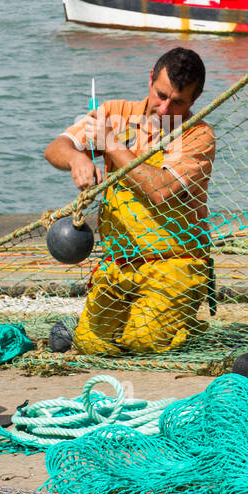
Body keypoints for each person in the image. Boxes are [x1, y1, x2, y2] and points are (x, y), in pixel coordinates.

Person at [44, 48, 216, 355]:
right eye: (160, 95)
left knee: (145, 341)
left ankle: (185, 323)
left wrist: (110, 143)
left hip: (176, 263)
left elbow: (160, 190)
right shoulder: (116, 113)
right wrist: (75, 159)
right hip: (120, 263)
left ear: (196, 99)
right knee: (92, 345)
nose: (164, 108)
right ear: (150, 79)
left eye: (177, 102)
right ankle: (87, 324)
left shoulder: (198, 136)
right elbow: (56, 147)